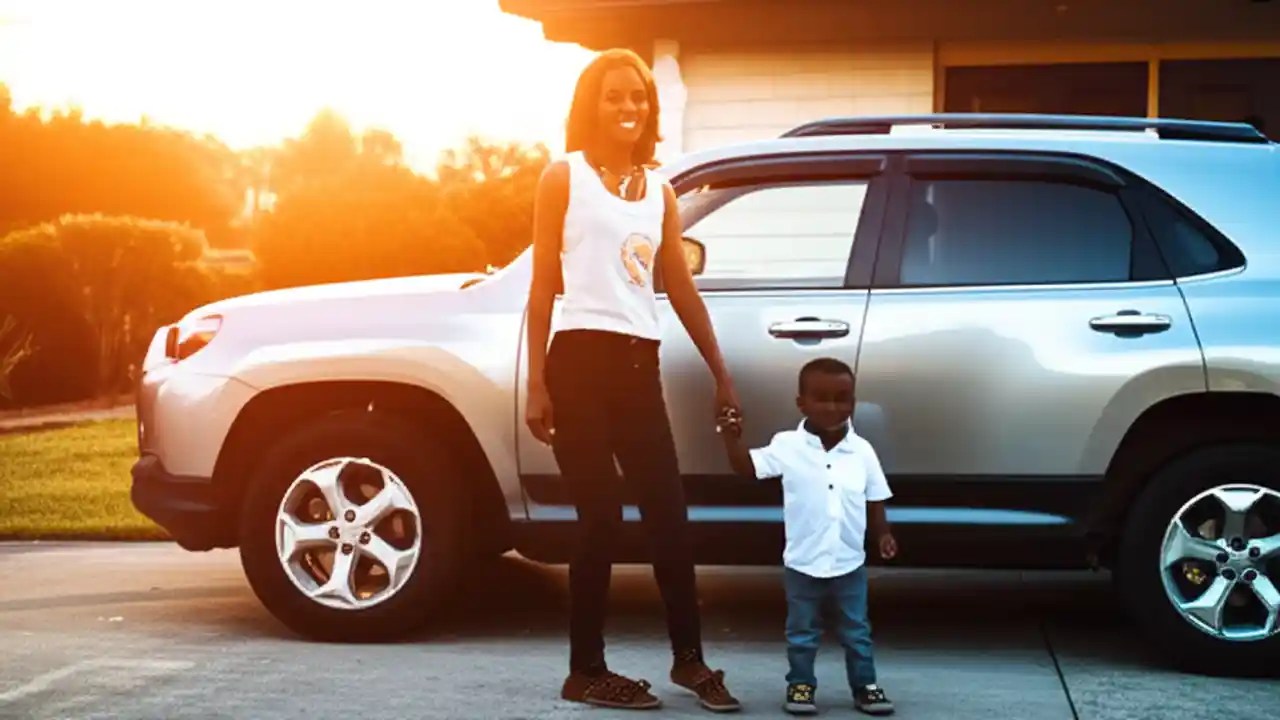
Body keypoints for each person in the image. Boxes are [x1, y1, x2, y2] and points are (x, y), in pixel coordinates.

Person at [524, 48, 742, 712]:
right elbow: (540, 288)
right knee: (600, 520)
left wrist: (722, 375)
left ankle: (690, 662)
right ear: (591, 104)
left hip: (638, 368)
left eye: (638, 97)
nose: (628, 108)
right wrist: (538, 382)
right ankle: (585, 670)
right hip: (578, 364)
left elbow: (679, 290)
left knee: (669, 519)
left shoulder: (662, 193)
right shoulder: (562, 178)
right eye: (614, 96)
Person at [717, 358, 898, 716]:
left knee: (857, 632)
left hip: (849, 563)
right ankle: (800, 685)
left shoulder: (862, 451)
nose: (832, 407)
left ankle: (865, 686)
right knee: (802, 632)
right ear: (801, 403)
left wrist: (884, 533)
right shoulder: (787, 445)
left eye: (842, 398)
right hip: (803, 563)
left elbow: (874, 496)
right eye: (821, 398)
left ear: (853, 401)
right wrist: (731, 437)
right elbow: (746, 468)